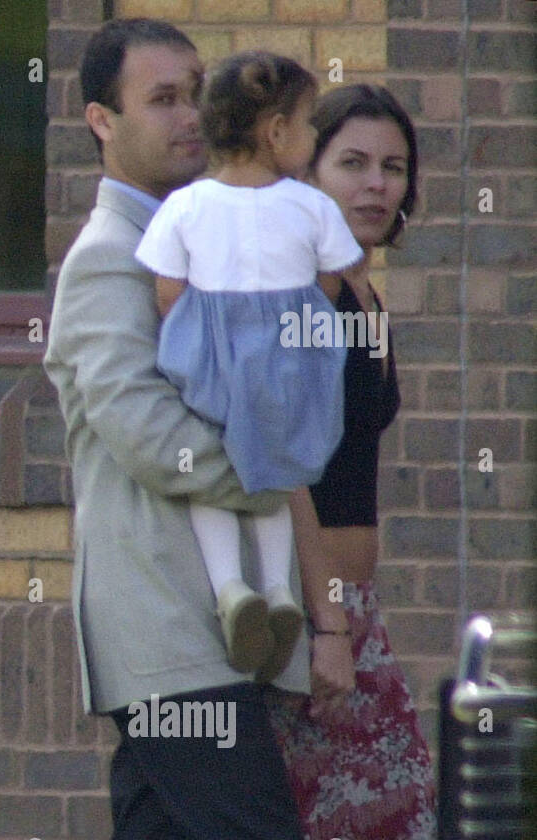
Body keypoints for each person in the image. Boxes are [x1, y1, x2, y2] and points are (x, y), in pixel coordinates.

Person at [43, 19, 310, 840]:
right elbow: (145, 431)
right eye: (161, 98)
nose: (190, 113)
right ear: (100, 121)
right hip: (164, 627)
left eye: (196, 90)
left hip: (207, 625)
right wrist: (266, 478)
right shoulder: (107, 258)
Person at [134, 52, 363, 681]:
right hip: (287, 356)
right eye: (311, 124)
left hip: (214, 355)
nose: (315, 138)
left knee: (216, 462)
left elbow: (166, 287)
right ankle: (282, 594)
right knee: (277, 465)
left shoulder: (186, 204)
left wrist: (195, 340)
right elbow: (334, 279)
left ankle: (231, 588)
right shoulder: (311, 206)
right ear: (276, 133)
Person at [265, 83, 436, 840]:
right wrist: (325, 624)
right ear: (309, 175)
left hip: (354, 612)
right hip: (313, 618)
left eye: (393, 168)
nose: (376, 185)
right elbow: (278, 460)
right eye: (353, 164)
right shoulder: (310, 295)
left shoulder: (361, 291)